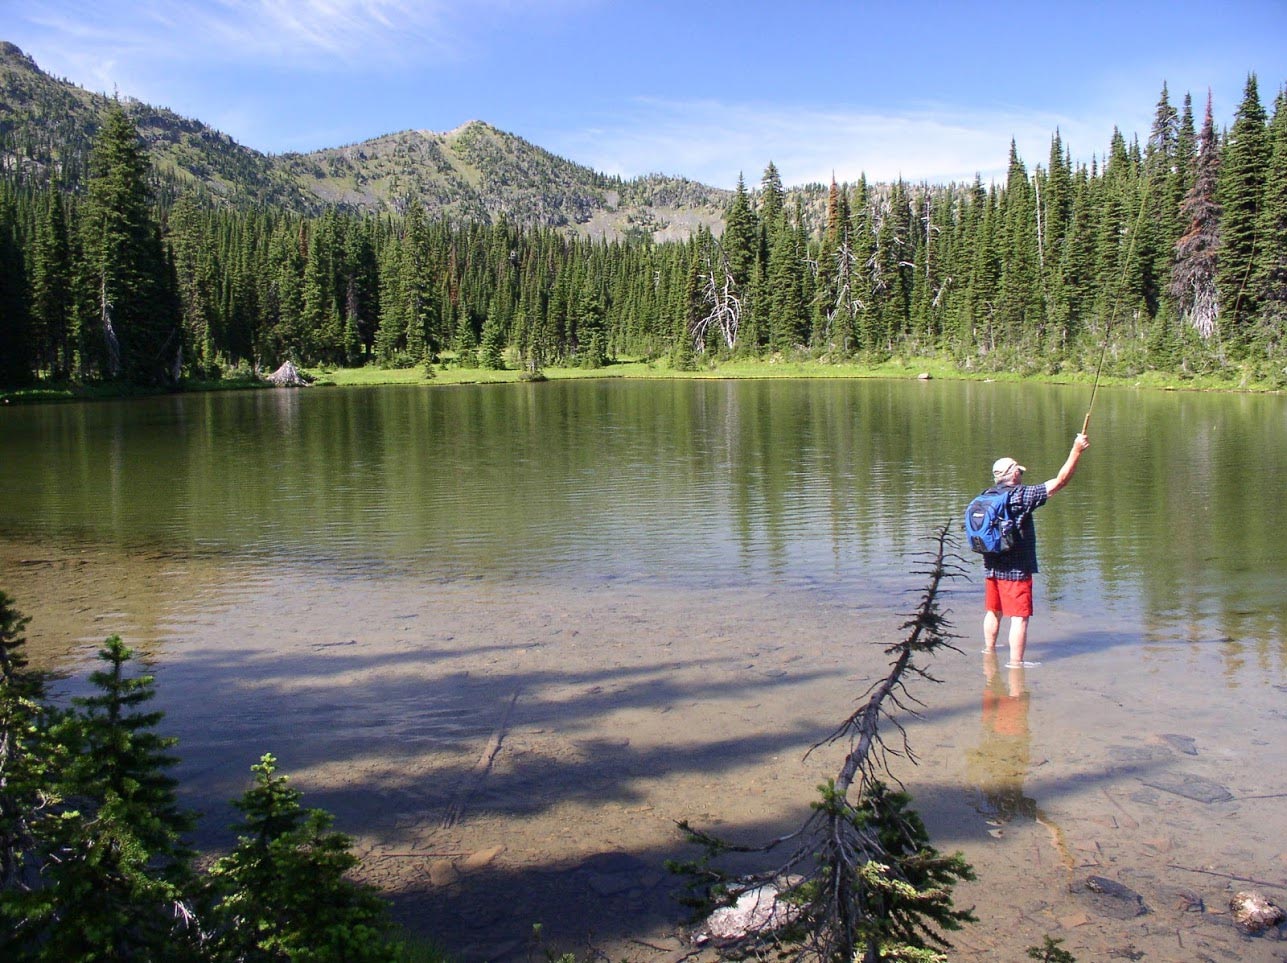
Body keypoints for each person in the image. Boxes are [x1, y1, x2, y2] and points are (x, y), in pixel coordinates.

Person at [982, 433, 1090, 668]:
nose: (1021, 474)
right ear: (1013, 474)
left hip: (991, 566)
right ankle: (1015, 665)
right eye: (1019, 471)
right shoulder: (1021, 496)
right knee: (1019, 618)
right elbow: (1060, 481)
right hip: (1017, 568)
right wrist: (1076, 451)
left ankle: (989, 652)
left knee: (994, 610)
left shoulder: (986, 496)